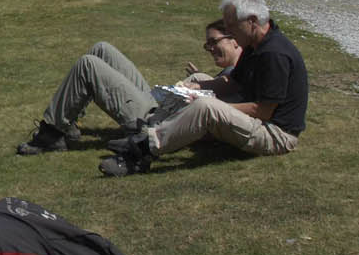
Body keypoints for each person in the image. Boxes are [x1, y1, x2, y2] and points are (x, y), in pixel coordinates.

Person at [100, 0, 309, 176]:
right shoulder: (255, 44)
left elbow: (263, 111)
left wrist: (211, 103)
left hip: (275, 134)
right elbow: (231, 82)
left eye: (232, 26)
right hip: (257, 121)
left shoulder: (274, 54)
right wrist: (196, 88)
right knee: (198, 80)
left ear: (252, 21)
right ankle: (151, 127)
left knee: (206, 107)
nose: (230, 32)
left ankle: (141, 151)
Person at [16, 13, 259, 157]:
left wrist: (197, 86)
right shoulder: (232, 73)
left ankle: (51, 133)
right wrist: (199, 80)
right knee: (102, 49)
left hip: (157, 120)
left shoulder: (240, 76)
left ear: (235, 40)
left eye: (214, 42)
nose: (210, 49)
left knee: (88, 65)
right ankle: (68, 120)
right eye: (208, 45)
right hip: (159, 104)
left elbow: (218, 116)